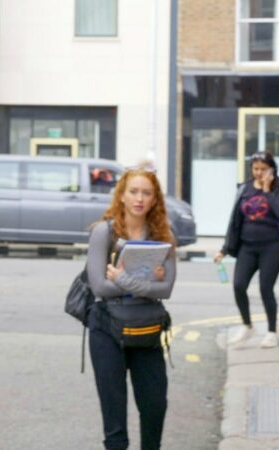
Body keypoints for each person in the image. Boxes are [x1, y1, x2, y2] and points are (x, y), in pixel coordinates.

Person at [86, 167, 177, 450]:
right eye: (133, 192)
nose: (139, 198)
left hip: (147, 328)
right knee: (114, 416)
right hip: (107, 329)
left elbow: (167, 289)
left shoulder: (162, 234)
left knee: (154, 406)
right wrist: (147, 281)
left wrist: (125, 280)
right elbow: (99, 287)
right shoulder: (104, 232)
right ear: (122, 196)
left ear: (154, 199)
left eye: (146, 193)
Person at [214, 151, 279, 349]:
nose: (258, 173)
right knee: (239, 285)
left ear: (272, 170)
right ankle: (247, 326)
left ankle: (272, 332)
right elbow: (235, 221)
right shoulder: (245, 189)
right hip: (247, 247)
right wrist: (224, 249)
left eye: (263, 169)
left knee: (265, 288)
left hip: (272, 247)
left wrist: (268, 190)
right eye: (255, 169)